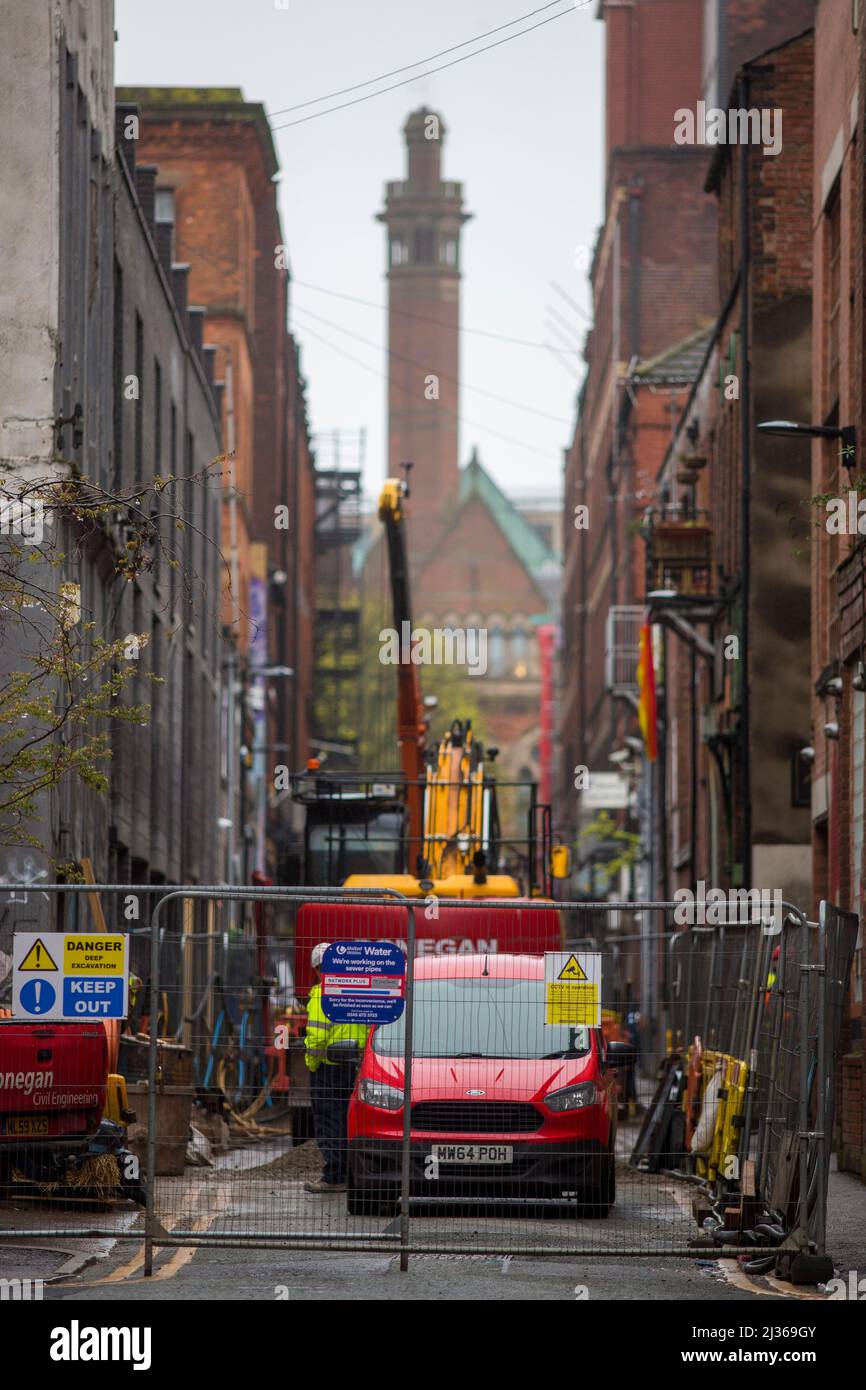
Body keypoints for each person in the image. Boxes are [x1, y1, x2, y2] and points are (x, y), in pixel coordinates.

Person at [303, 942, 370, 1194]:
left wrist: (311, 1063)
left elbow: (317, 1037)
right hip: (354, 1067)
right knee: (347, 1119)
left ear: (317, 969)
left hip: (327, 1068)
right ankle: (349, 1173)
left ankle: (334, 1176)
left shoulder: (322, 994)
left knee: (328, 1121)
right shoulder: (354, 992)